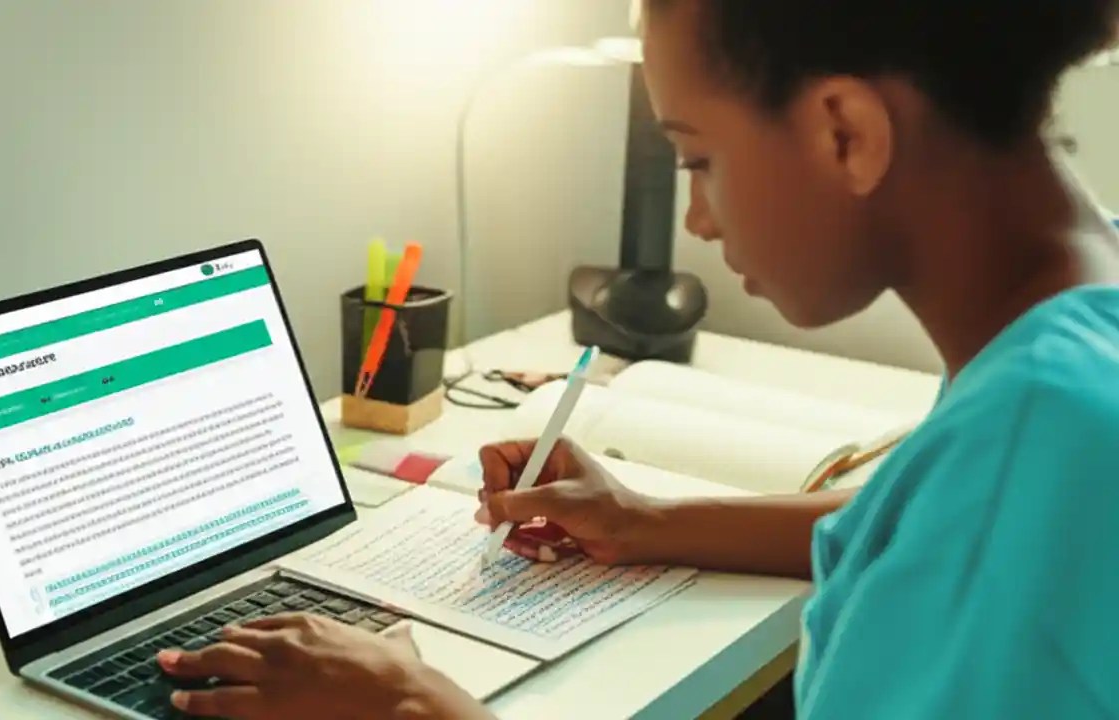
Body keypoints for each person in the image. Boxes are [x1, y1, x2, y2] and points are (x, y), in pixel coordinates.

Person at [154, 1, 1119, 717]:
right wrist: (644, 521)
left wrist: (410, 704)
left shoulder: (1039, 435)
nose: (696, 220)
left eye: (698, 158)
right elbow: (910, 524)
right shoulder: (1066, 328)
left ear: (846, 133)